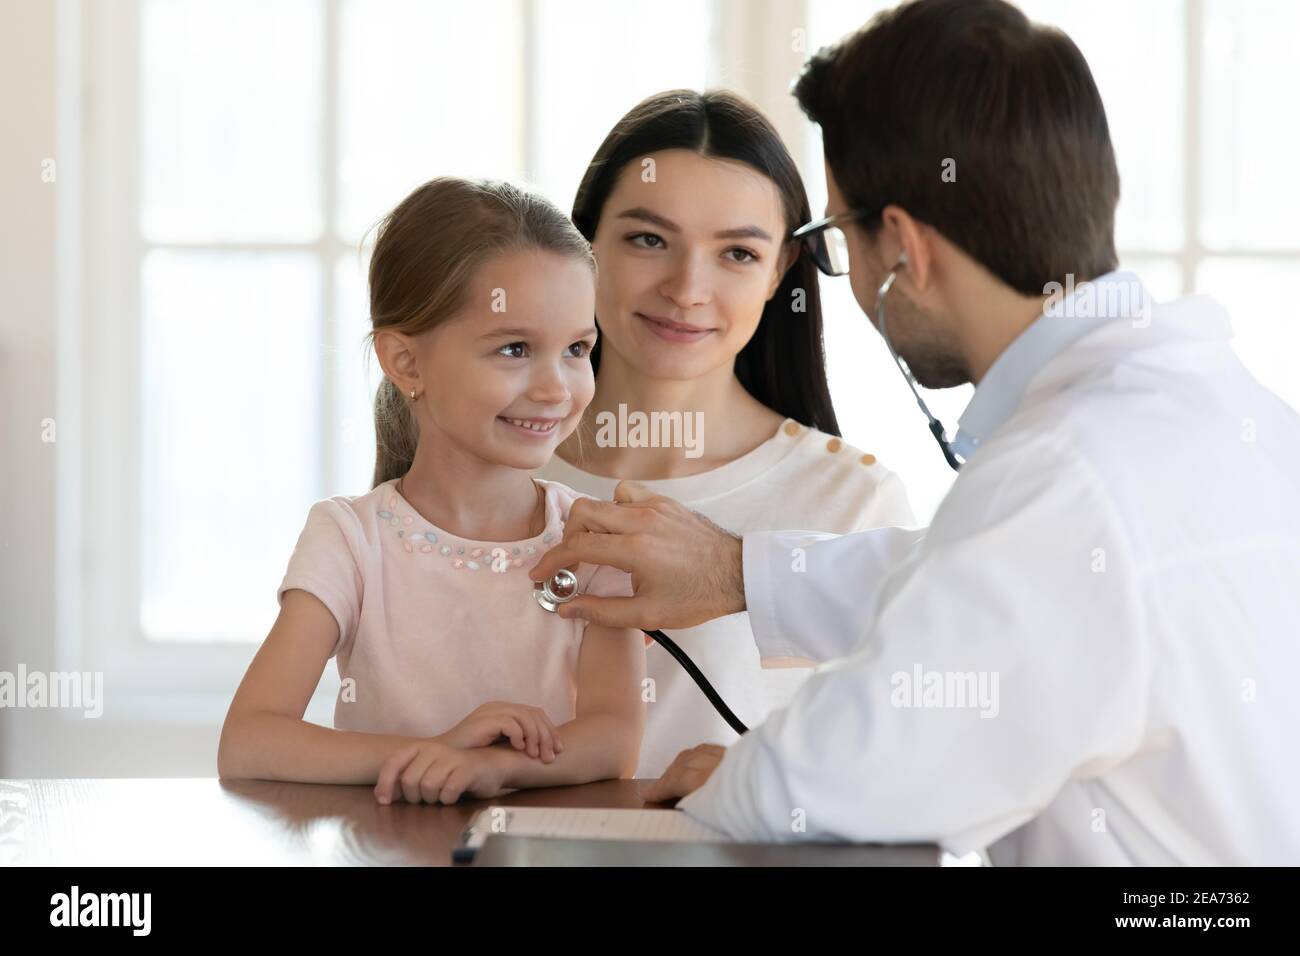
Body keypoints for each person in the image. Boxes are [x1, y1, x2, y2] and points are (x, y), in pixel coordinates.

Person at [529, 0, 1300, 865]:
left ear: (902, 247)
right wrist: (734, 569)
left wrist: (741, 774)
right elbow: (983, 578)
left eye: (833, 235)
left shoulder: (1067, 474)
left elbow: (822, 783)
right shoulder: (1232, 418)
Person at [218, 177, 645, 805]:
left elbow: (614, 741)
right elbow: (248, 743)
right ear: (407, 363)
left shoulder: (593, 543)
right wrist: (441, 753)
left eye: (578, 349)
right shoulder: (349, 540)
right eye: (515, 348)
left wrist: (492, 769)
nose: (557, 388)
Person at [536, 89, 915, 779]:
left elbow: (903, 774)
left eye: (737, 253)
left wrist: (755, 782)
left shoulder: (853, 504)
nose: (686, 289)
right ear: (586, 245)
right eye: (649, 240)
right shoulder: (487, 468)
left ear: (780, 274)